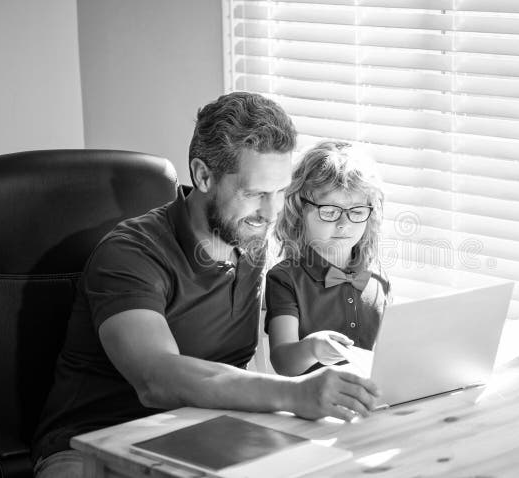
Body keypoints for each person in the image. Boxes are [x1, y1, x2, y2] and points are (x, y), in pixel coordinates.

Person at [31, 93, 380, 478]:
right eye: (255, 193)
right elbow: (156, 378)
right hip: (94, 446)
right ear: (203, 176)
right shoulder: (129, 254)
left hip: (209, 435)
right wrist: (295, 394)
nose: (271, 212)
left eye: (280, 192)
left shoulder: (250, 240)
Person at [266, 140, 391, 376]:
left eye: (357, 211)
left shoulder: (378, 278)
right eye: (330, 212)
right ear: (298, 210)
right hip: (310, 396)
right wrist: (312, 348)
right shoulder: (285, 279)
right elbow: (283, 363)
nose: (344, 224)